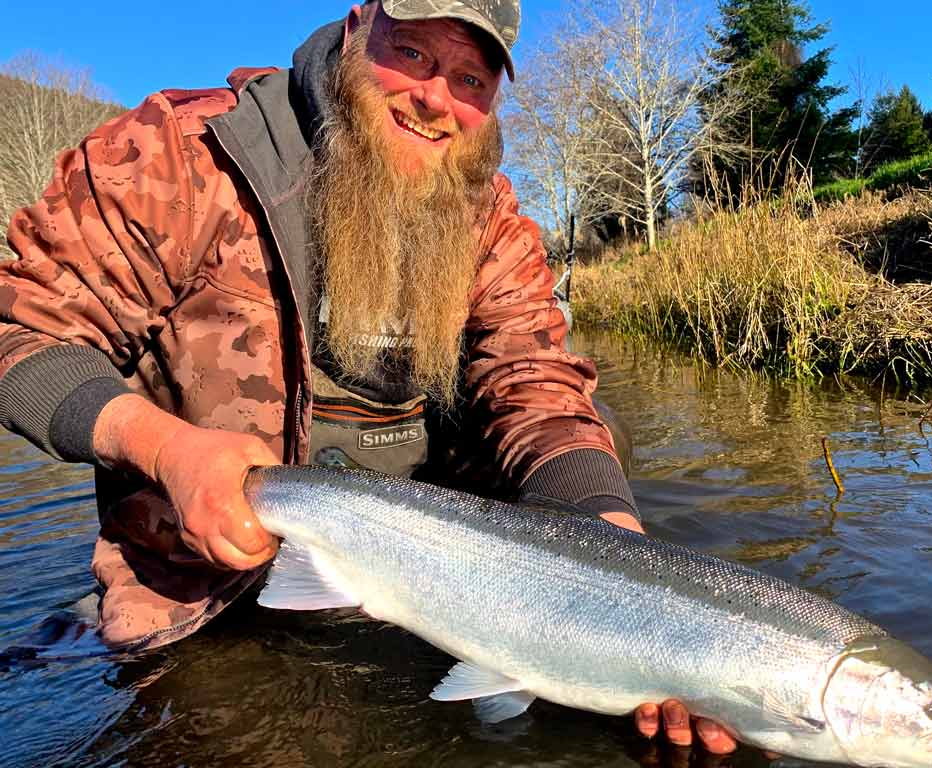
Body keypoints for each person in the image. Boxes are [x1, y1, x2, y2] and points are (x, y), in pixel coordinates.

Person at [0, 0, 735, 754]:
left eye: (470, 77)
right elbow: (19, 330)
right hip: (205, 579)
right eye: (413, 54)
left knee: (602, 435)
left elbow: (536, 381)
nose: (435, 98)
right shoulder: (187, 157)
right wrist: (165, 449)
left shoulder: (491, 220)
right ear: (357, 29)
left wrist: (627, 573)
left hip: (435, 575)